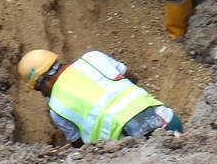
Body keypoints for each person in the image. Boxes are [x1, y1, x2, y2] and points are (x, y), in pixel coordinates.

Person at [17, 49, 182, 146]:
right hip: (168, 121)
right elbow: (132, 78)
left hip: (134, 148)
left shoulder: (56, 107)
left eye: (40, 89)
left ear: (45, 81)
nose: (44, 95)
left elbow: (83, 148)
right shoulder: (93, 57)